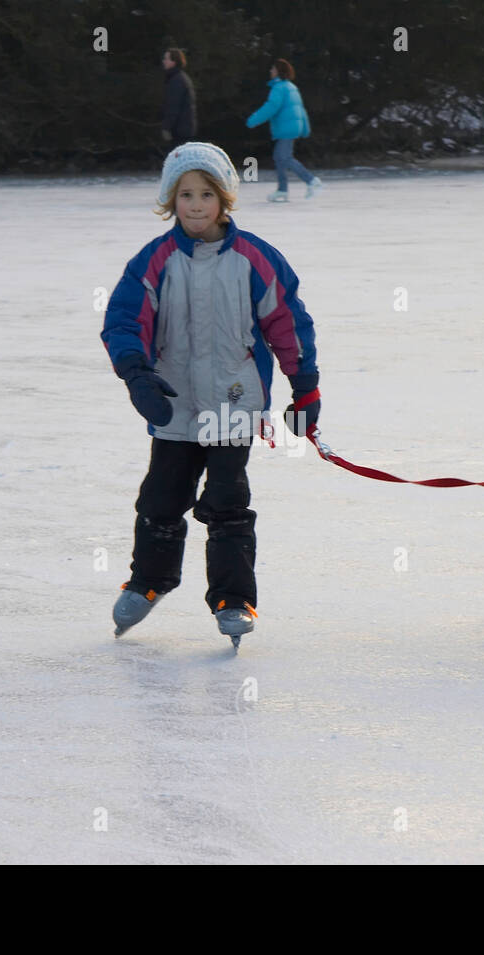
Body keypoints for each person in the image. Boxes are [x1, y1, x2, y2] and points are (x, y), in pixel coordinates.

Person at [101, 142, 321, 645]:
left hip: (234, 402)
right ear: (170, 201)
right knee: (160, 497)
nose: (195, 205)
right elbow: (123, 322)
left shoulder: (254, 258)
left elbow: (289, 324)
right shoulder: (154, 260)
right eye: (184, 195)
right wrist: (136, 375)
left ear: (224, 199)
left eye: (206, 195)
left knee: (227, 500)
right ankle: (149, 581)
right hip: (174, 404)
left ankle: (233, 598)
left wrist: (304, 390)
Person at [246, 58, 322, 201]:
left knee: (284, 157)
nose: (270, 71)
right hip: (291, 127)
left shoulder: (279, 88)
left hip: (286, 128)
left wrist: (254, 119)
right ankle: (282, 190)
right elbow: (301, 110)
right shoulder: (291, 87)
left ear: (278, 71)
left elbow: (271, 107)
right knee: (280, 158)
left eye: (273, 69)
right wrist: (305, 128)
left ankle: (312, 181)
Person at [160, 48, 196, 146]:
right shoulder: (179, 78)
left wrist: (167, 127)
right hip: (183, 130)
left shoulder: (177, 81)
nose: (164, 61)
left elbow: (173, 106)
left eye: (166, 59)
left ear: (174, 62)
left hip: (179, 132)